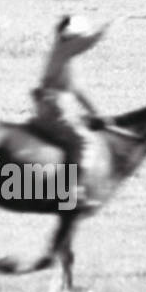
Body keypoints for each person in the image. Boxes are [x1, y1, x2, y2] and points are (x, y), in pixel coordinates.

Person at [34, 15, 111, 211]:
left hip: (55, 107)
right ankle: (71, 191)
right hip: (54, 109)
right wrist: (106, 29)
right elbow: (89, 42)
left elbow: (78, 91)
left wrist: (97, 113)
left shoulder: (66, 57)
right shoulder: (64, 49)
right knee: (84, 141)